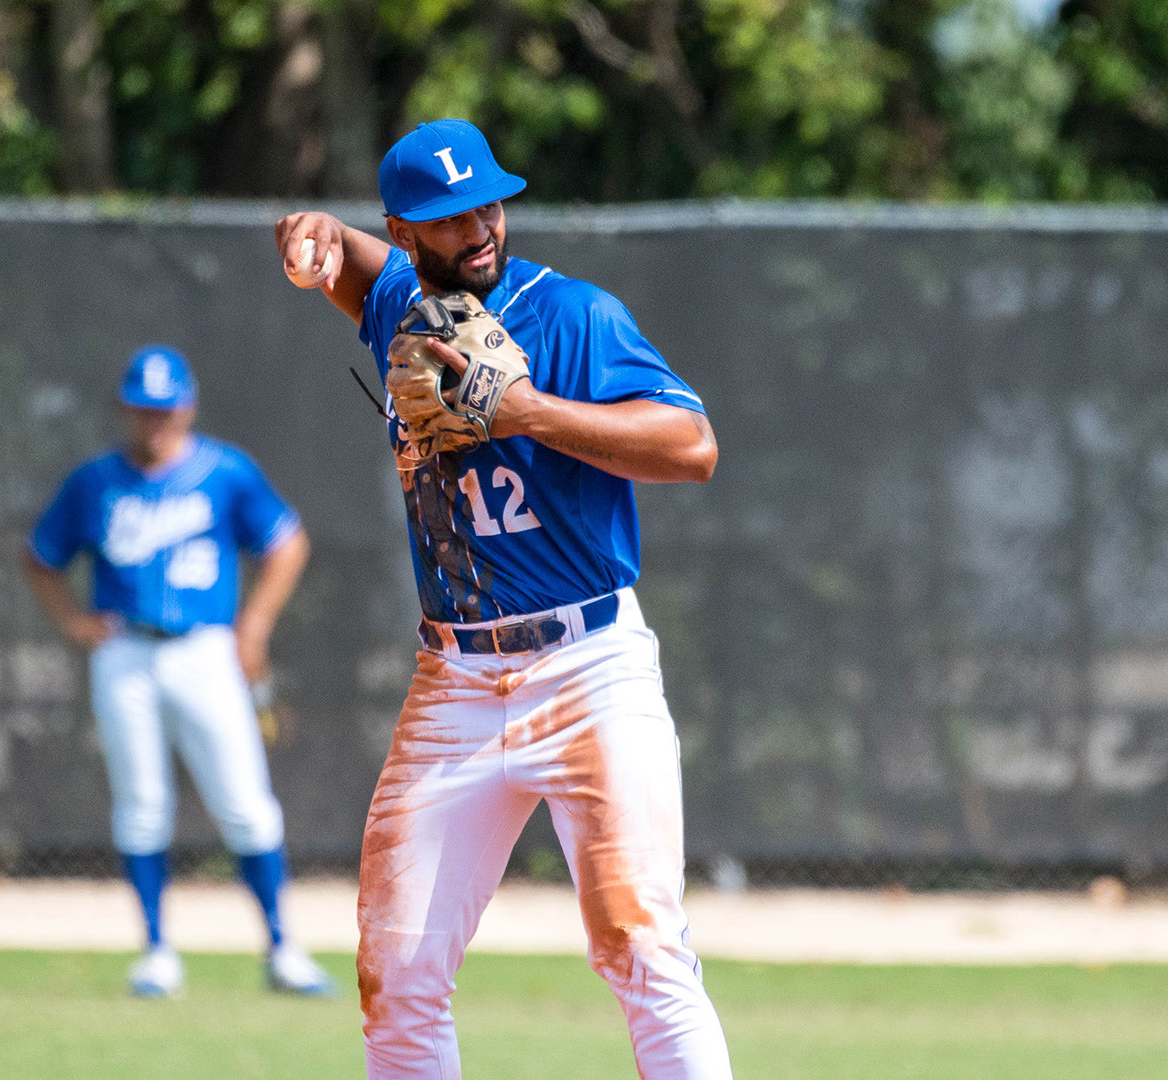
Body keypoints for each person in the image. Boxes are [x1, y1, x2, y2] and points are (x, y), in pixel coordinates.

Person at [274, 120, 732, 1078]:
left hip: (588, 665)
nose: (478, 224)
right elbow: (355, 262)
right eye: (448, 216)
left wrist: (524, 412)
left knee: (640, 947)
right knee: (395, 971)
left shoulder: (574, 315)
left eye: (487, 200)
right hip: (455, 680)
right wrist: (314, 228)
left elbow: (692, 448)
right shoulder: (401, 294)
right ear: (407, 232)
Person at [22, 345, 335, 999]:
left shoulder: (225, 471)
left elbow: (286, 542)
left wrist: (254, 626)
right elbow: (40, 555)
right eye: (142, 409)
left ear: (187, 407)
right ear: (124, 410)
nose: (153, 421)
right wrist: (74, 622)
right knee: (141, 807)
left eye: (164, 409)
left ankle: (283, 949)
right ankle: (158, 952)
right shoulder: (96, 481)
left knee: (247, 807)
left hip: (204, 650)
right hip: (125, 652)